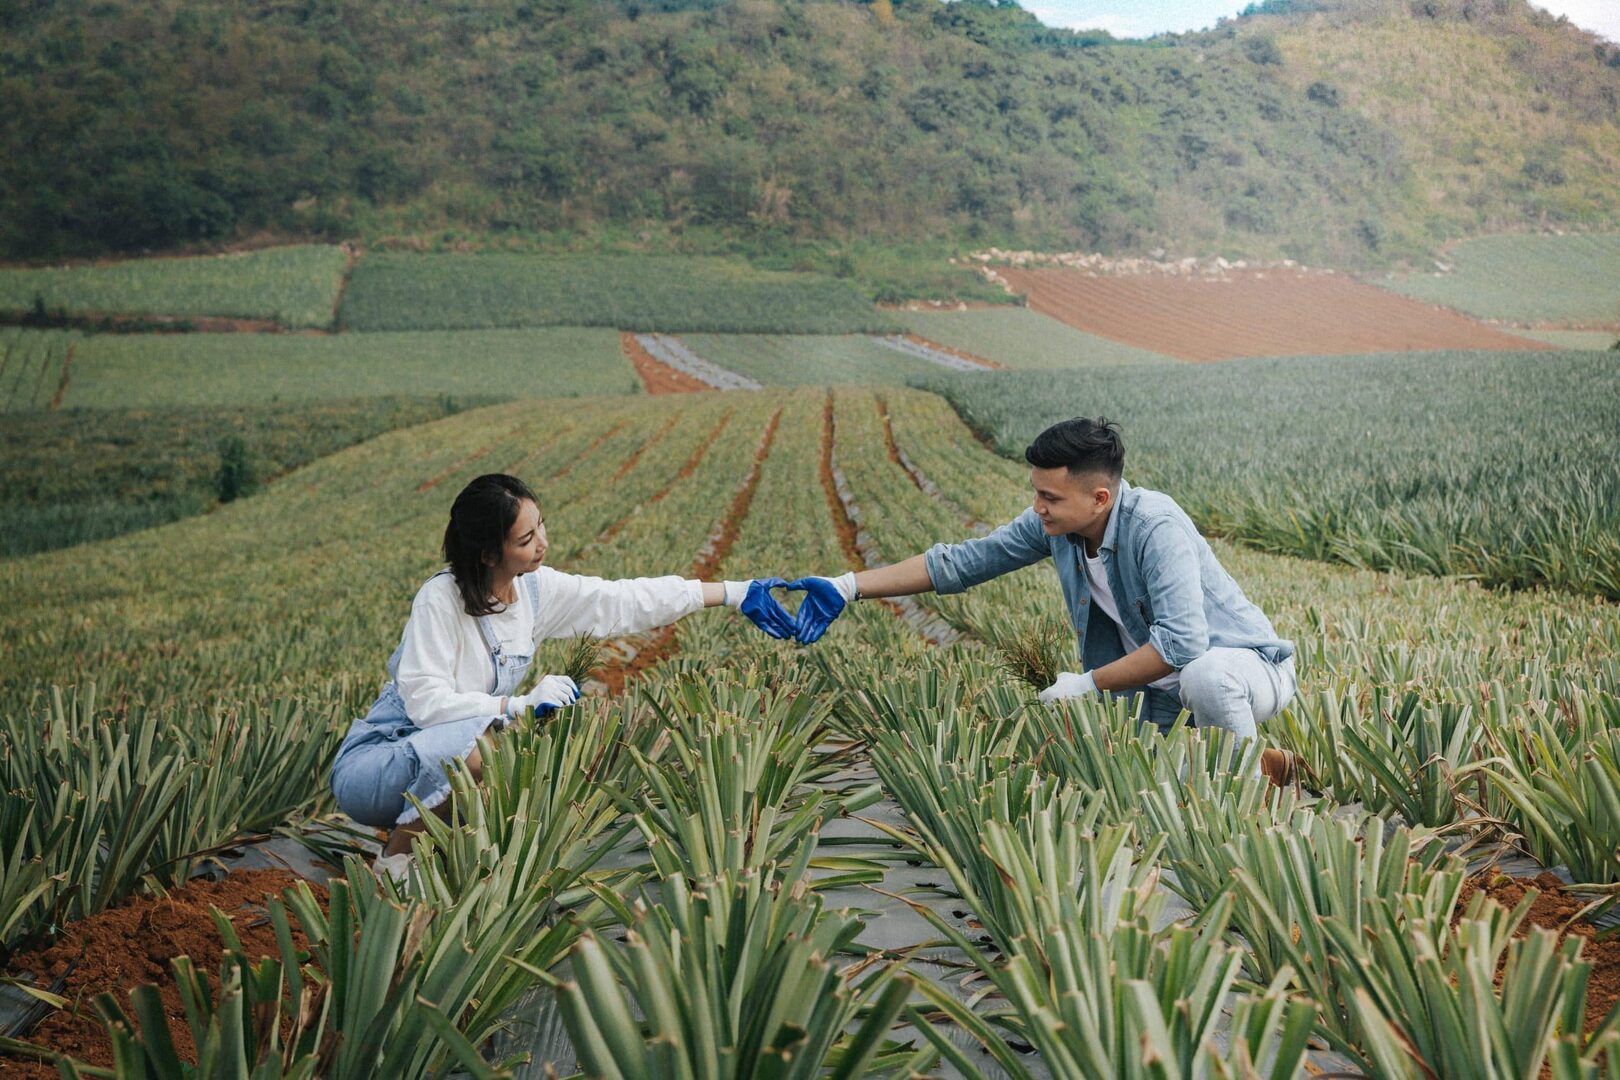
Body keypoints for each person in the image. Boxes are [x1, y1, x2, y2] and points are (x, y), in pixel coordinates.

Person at [787, 416, 1302, 785]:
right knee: (1125, 786)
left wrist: (1086, 683)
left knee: (1204, 677)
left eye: (1049, 498)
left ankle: (1249, 797)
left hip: (1245, 671)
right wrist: (847, 585)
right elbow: (961, 562)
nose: (1037, 508)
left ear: (1100, 498)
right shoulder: (1057, 528)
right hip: (1157, 697)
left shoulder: (1154, 526)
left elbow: (1182, 646)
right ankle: (1259, 765)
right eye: (1036, 493)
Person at [330, 473, 796, 880]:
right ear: (490, 554)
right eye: (526, 538)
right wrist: (517, 705)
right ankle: (394, 861)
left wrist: (733, 592)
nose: (542, 543)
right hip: (378, 767)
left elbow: (621, 601)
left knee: (516, 756)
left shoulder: (533, 589)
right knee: (482, 752)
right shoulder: (440, 600)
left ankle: (447, 855)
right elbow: (426, 704)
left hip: (443, 758)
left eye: (540, 526)